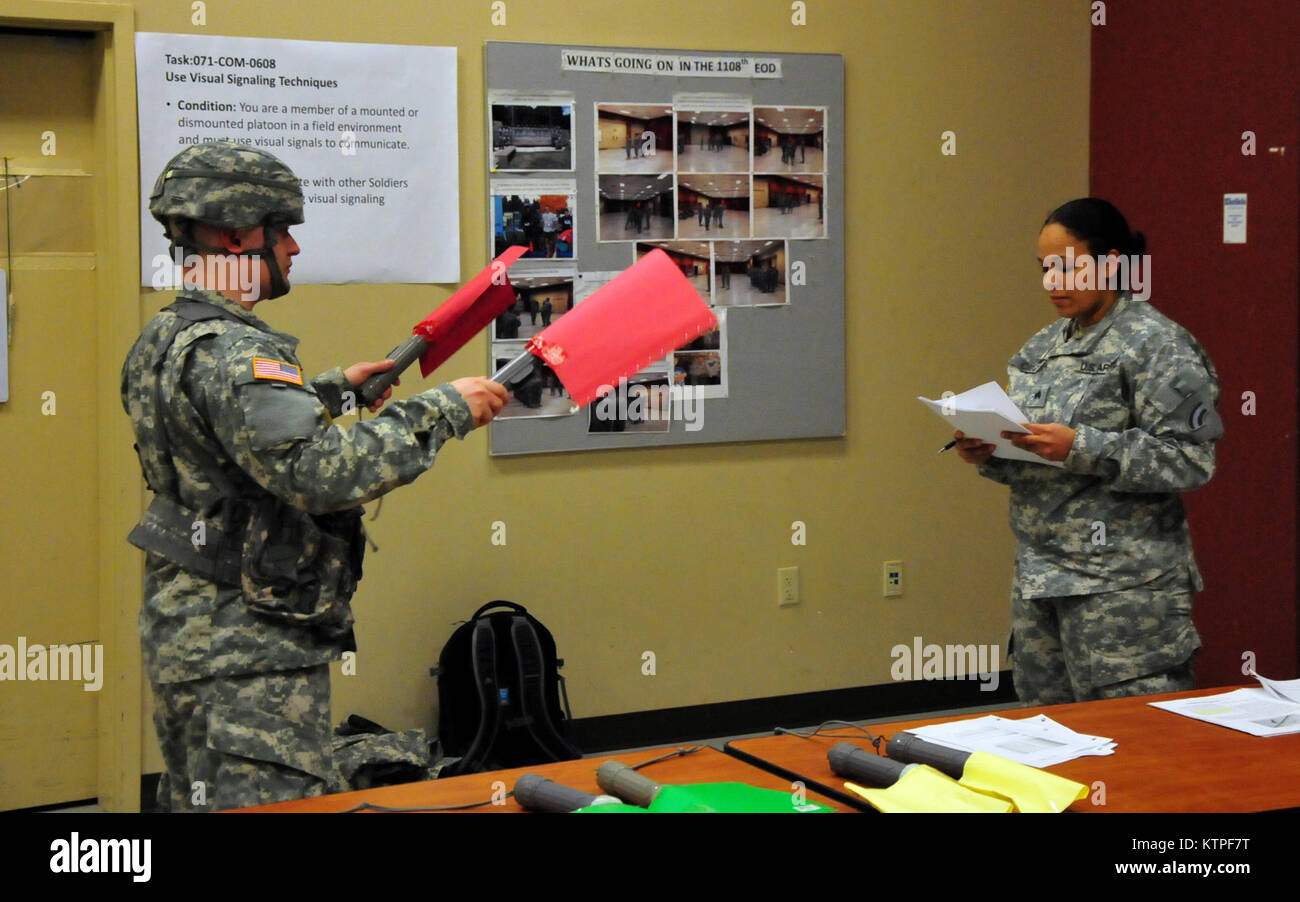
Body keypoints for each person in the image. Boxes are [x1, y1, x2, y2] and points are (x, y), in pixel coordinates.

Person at [122, 141, 509, 811]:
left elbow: (219, 436)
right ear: (236, 235)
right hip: (247, 648)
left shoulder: (168, 334)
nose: (294, 247)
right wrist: (444, 410)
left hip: (189, 629)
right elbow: (317, 475)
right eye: (282, 230)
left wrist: (334, 391)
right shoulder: (238, 350)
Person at [953, 198, 1221, 706]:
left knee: (1136, 737)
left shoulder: (1158, 345)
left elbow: (1191, 459)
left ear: (1111, 263)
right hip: (1041, 580)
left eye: (1067, 266)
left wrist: (1081, 447)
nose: (1053, 282)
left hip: (1124, 588)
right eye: (1045, 268)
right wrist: (989, 451)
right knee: (1049, 736)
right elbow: (1034, 455)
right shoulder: (1041, 349)